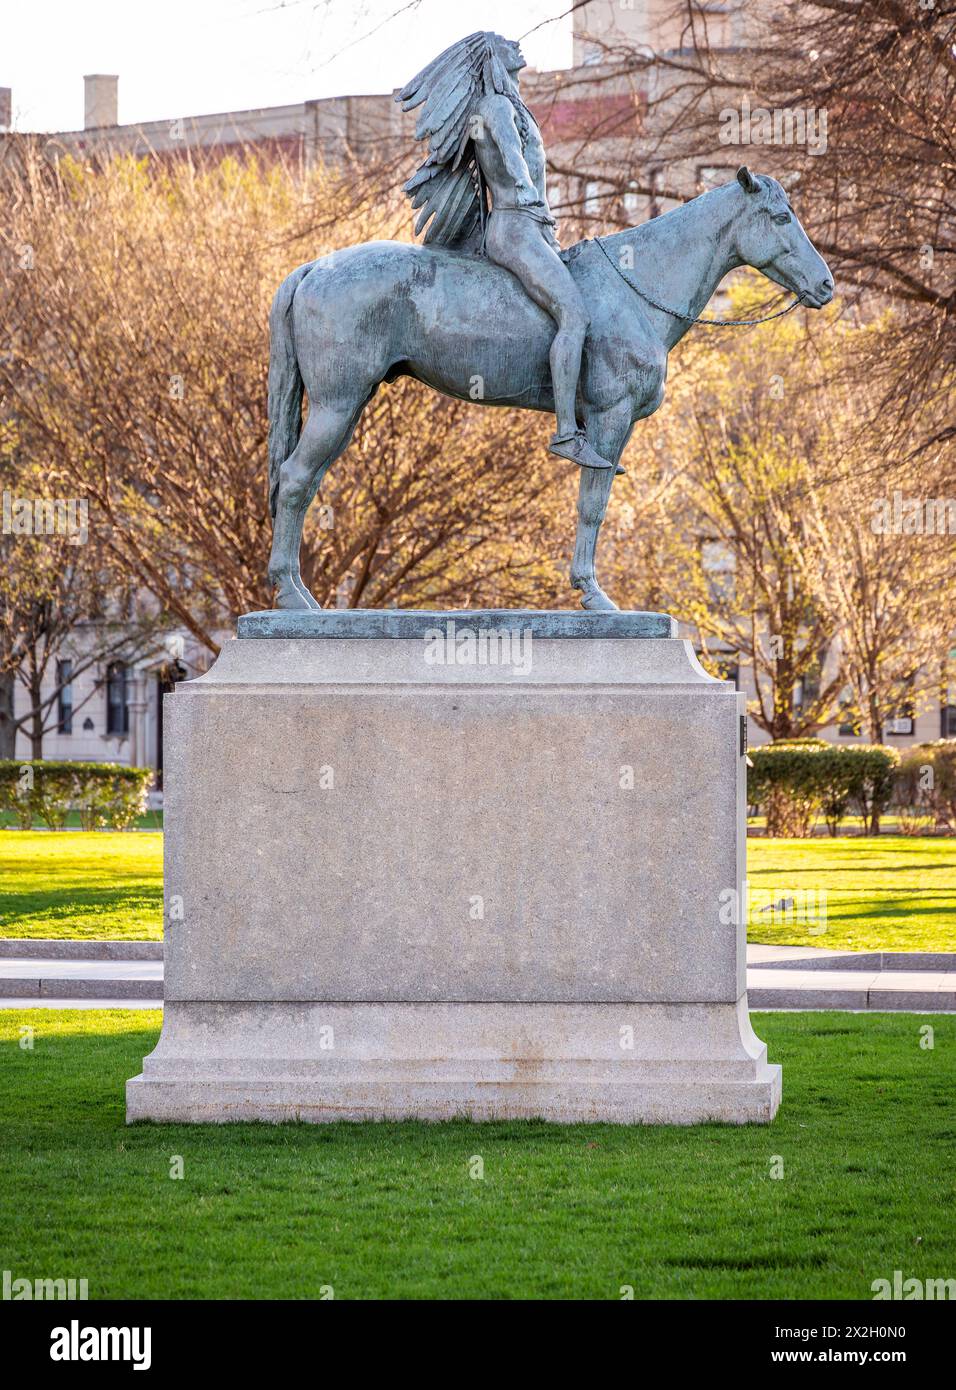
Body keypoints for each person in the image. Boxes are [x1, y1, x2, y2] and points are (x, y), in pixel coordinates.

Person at [397, 31, 616, 471]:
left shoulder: (513, 104)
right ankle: (567, 433)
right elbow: (512, 158)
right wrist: (526, 192)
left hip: (532, 228)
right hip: (515, 228)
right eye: (506, 44)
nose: (517, 46)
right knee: (574, 314)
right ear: (493, 58)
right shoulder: (494, 107)